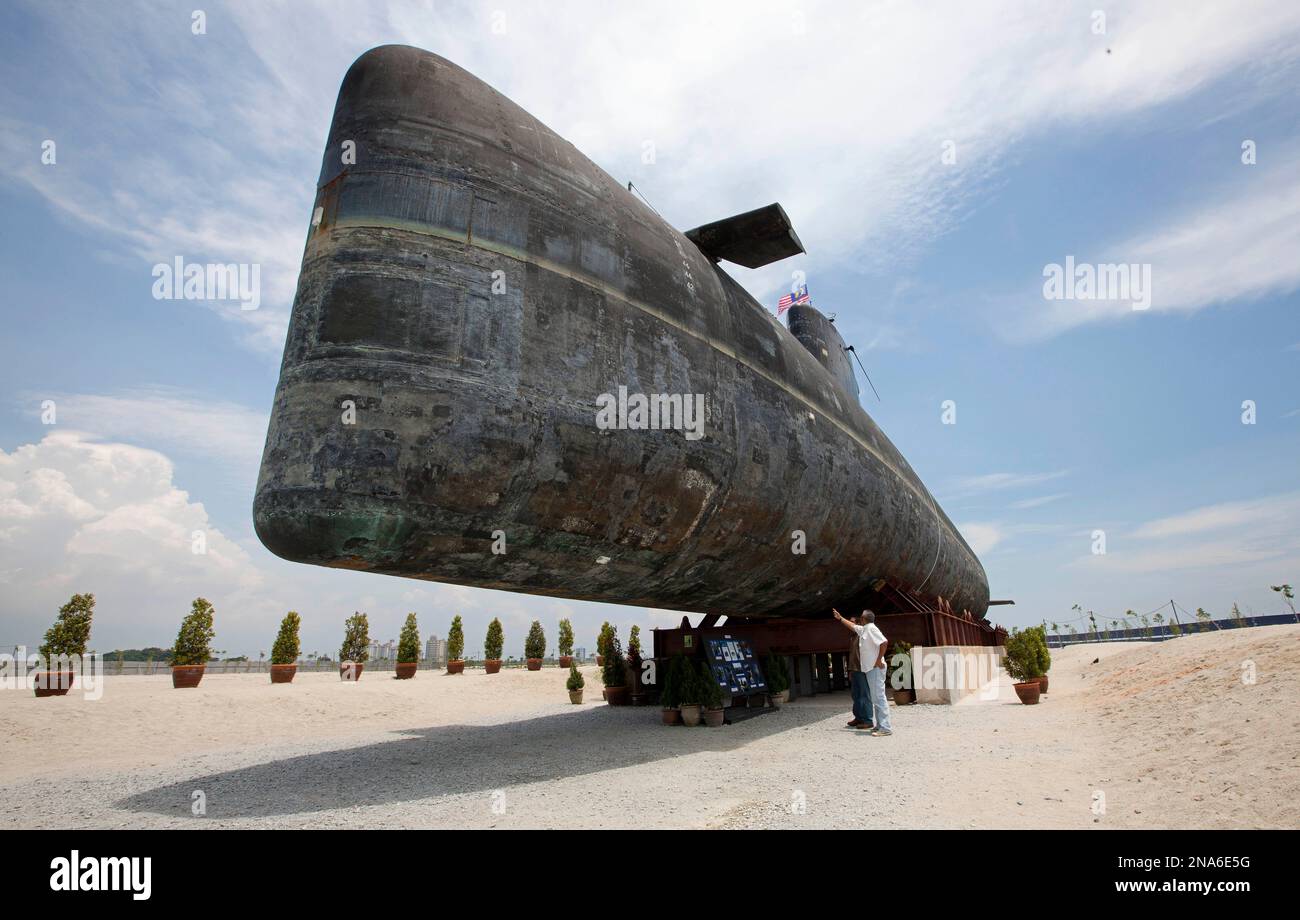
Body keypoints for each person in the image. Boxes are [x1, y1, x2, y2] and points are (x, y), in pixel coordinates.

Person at [832, 607, 892, 736]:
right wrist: (840, 618)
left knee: (879, 698)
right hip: (870, 669)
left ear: (864, 619)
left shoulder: (871, 628)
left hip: (875, 668)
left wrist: (878, 660)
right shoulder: (865, 629)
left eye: (861, 617)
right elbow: (853, 626)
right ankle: (879, 725)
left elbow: (884, 642)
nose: (859, 619)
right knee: (876, 698)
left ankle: (885, 728)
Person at [842, 611, 873, 729]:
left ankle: (868, 720)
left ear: (859, 624)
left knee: (864, 694)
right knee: (855, 695)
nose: (850, 624)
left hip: (862, 669)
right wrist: (849, 670)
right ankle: (858, 717)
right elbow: (852, 655)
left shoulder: (862, 635)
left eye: (852, 622)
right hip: (854, 669)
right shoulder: (853, 637)